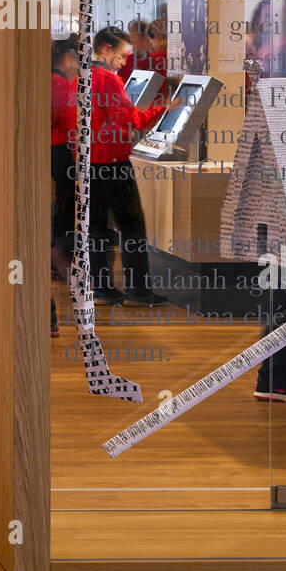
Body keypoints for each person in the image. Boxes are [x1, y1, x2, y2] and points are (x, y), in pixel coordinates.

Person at [74, 25, 178, 308]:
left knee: (95, 230)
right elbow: (131, 121)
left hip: (87, 165)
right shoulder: (108, 80)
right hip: (113, 164)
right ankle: (139, 292)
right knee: (132, 228)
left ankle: (102, 290)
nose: (123, 63)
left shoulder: (80, 77)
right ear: (106, 50)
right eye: (121, 57)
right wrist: (166, 109)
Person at [50, 36, 78, 337]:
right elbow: (66, 119)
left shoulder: (49, 81)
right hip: (60, 152)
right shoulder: (59, 85)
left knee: (61, 206)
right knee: (65, 206)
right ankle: (60, 258)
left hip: (54, 150)